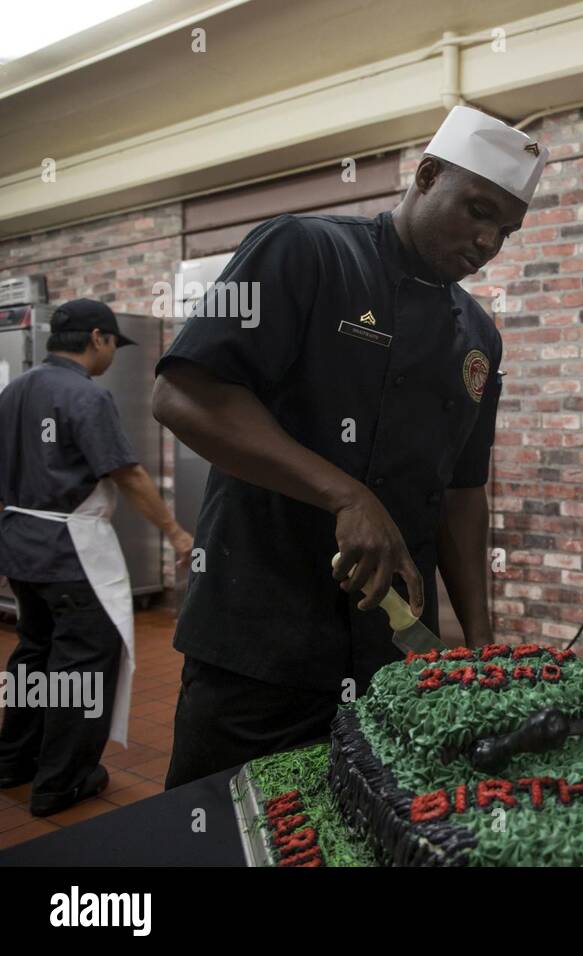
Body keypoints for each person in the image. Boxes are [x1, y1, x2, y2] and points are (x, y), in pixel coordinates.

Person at [152, 106, 548, 789]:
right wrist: (344, 493)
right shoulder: (301, 250)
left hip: (387, 653)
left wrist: (479, 645)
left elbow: (461, 493)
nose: (488, 241)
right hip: (260, 639)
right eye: (478, 211)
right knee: (219, 832)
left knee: (368, 828)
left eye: (505, 231)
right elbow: (183, 395)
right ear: (426, 176)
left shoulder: (478, 335)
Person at [0, 299, 193, 815]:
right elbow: (126, 473)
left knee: (36, 654)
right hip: (69, 551)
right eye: (112, 344)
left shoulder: (13, 391)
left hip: (20, 550)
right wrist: (175, 532)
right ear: (97, 338)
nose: (112, 354)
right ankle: (61, 781)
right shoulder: (86, 396)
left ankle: (13, 762)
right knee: (82, 665)